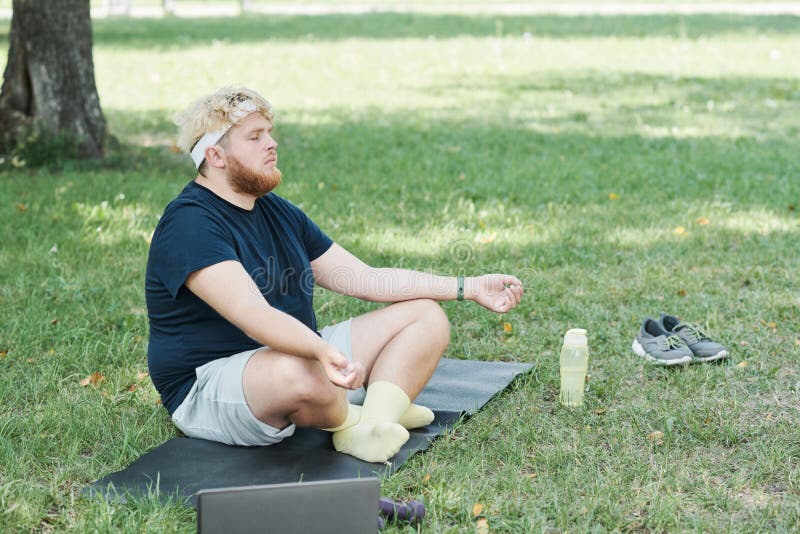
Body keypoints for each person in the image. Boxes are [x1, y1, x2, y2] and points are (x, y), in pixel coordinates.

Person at [145, 86, 525, 463]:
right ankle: (349, 417)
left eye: (270, 133)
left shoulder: (276, 211)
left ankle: (375, 421)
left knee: (425, 314)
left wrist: (468, 287)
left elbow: (366, 278)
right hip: (209, 381)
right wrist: (321, 351)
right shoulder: (190, 223)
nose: (272, 144)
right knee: (306, 372)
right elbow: (253, 314)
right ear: (216, 155)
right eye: (255, 137)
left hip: (294, 353)